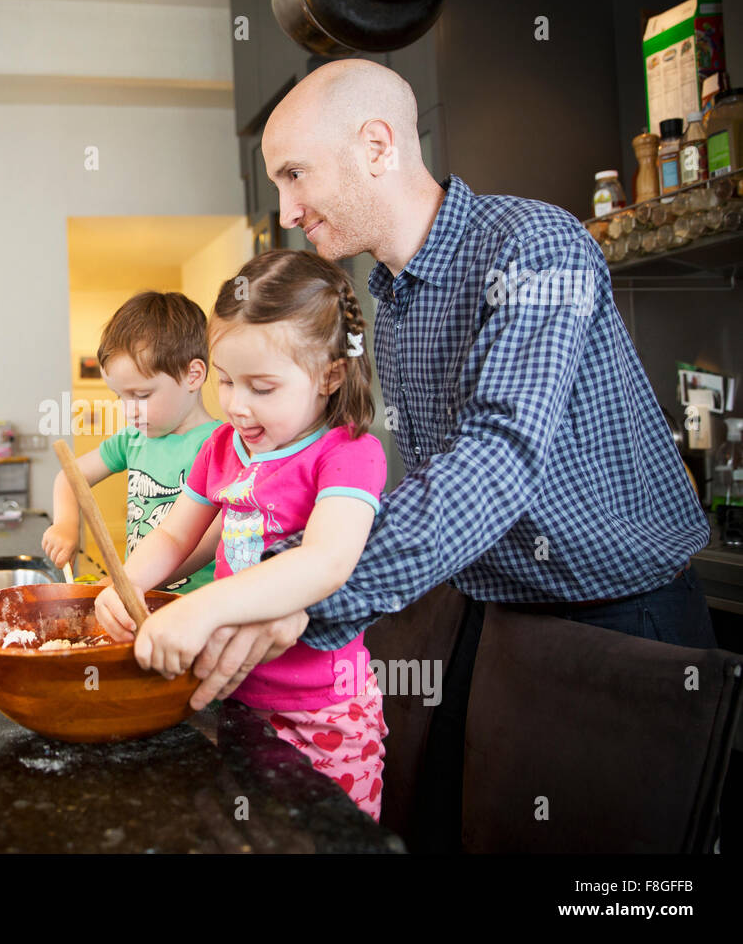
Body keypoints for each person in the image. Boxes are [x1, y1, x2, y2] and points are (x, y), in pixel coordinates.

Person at [227, 59, 713, 848]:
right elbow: (423, 490)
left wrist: (304, 590)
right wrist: (288, 565)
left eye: (294, 175)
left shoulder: (534, 246)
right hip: (499, 617)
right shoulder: (390, 304)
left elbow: (494, 461)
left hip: (628, 623)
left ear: (377, 145)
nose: (285, 212)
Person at [94, 250, 389, 821]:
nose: (237, 406)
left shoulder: (349, 454)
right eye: (227, 382)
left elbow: (327, 561)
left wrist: (202, 608)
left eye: (263, 387)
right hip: (231, 701)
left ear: (331, 374)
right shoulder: (222, 447)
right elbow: (176, 538)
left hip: (323, 714)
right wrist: (123, 584)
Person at [41, 291, 221, 592]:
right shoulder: (133, 439)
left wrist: (135, 578)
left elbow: (212, 540)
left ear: (193, 375)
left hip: (195, 606)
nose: (129, 411)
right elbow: (70, 476)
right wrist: (66, 524)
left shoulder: (222, 446)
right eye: (121, 397)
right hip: (139, 596)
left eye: (142, 395)